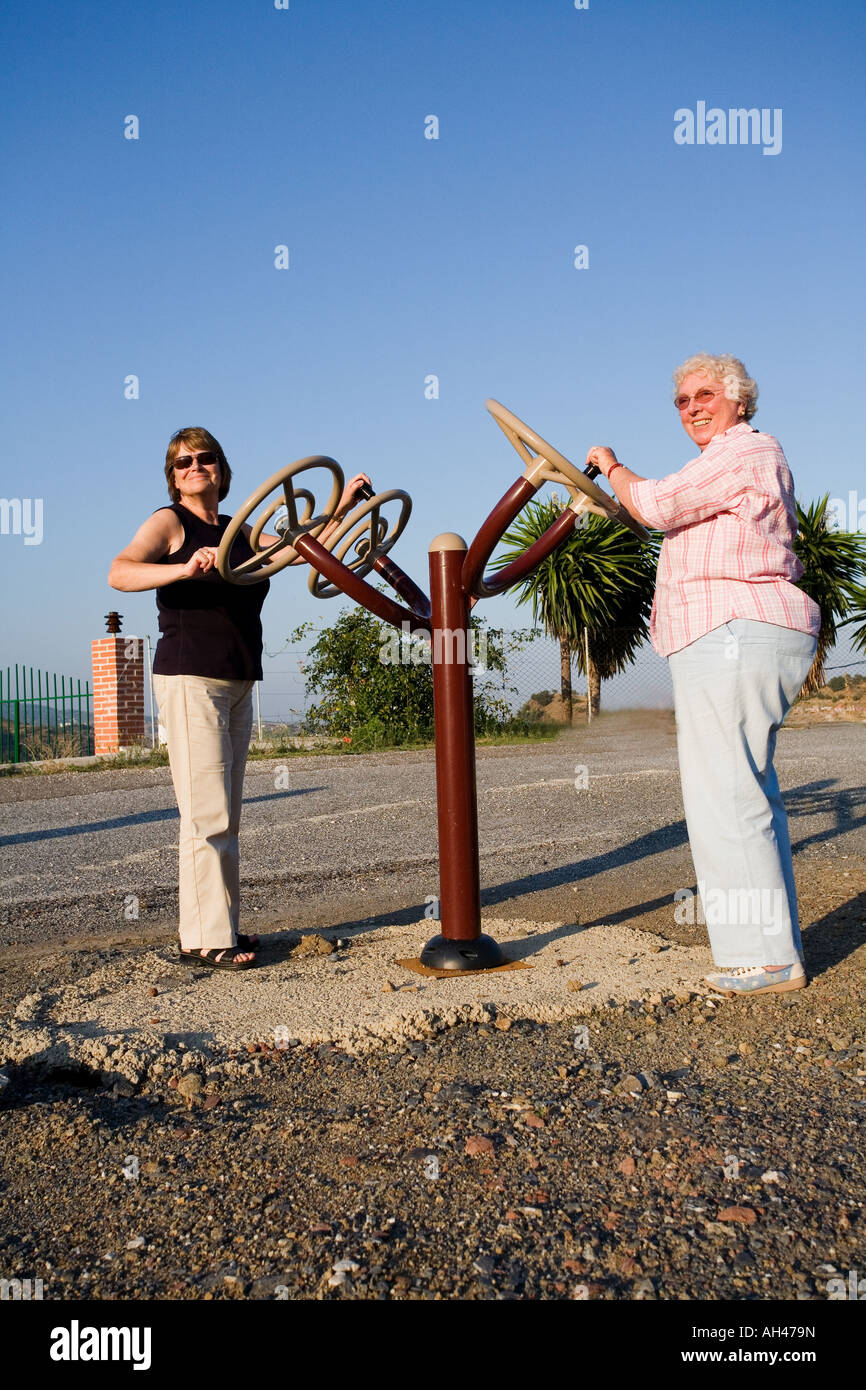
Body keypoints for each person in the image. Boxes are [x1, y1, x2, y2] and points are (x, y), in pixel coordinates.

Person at [586, 354, 820, 996]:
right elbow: (652, 510)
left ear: (740, 400)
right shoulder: (722, 462)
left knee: (728, 798)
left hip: (735, 630)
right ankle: (771, 948)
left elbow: (658, 504)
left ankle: (767, 960)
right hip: (733, 633)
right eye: (681, 399)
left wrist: (609, 464)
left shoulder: (746, 449)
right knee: (745, 792)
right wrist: (616, 498)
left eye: (706, 394)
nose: (692, 406)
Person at [109, 427, 369, 971]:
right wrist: (184, 566)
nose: (194, 466)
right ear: (173, 475)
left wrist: (341, 507)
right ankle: (206, 939)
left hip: (236, 679)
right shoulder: (169, 522)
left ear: (222, 471)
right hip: (189, 678)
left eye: (204, 459)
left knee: (225, 811)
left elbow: (295, 552)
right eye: (183, 462)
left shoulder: (233, 529)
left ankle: (215, 926)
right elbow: (120, 571)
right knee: (207, 813)